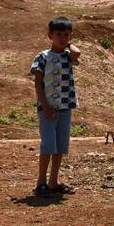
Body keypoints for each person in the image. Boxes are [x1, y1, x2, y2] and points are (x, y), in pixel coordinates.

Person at [30, 16, 81, 196]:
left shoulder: (69, 55)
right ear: (50, 35)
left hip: (65, 106)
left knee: (60, 146)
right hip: (48, 108)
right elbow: (37, 84)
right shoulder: (42, 57)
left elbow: (78, 53)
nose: (62, 38)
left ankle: (54, 181)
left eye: (66, 35)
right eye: (58, 34)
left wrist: (68, 45)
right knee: (48, 145)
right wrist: (45, 106)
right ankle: (41, 182)